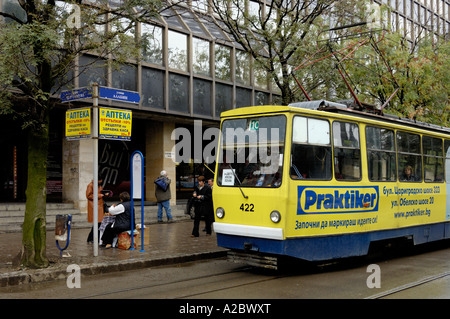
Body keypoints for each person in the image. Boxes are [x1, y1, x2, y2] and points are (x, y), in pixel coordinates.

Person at [86, 174, 108, 243]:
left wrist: (104, 194)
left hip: (100, 206)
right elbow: (89, 195)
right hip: (95, 206)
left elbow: (100, 193)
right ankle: (92, 238)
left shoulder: (99, 185)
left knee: (98, 223)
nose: (101, 181)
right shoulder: (90, 185)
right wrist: (101, 195)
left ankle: (92, 238)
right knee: (97, 223)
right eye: (100, 180)